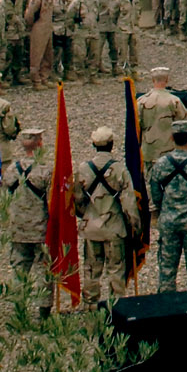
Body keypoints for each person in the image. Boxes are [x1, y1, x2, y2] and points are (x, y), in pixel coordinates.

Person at [75, 126, 137, 308]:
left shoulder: (83, 168)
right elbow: (129, 202)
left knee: (91, 269)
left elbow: (77, 198)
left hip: (91, 227)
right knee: (116, 269)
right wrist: (135, 225)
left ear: (94, 144)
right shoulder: (119, 169)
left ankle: (90, 306)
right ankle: (117, 308)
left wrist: (85, 215)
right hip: (114, 227)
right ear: (112, 144)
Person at [0, 125, 56, 311]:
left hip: (17, 228)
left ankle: (18, 308)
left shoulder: (11, 171)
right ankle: (43, 310)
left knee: (19, 268)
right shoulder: (46, 171)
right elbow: (52, 203)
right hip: (40, 229)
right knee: (43, 269)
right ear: (39, 144)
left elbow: (3, 199)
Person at [147, 119, 187, 292]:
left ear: (172, 138)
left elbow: (155, 195)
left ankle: (167, 311)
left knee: (167, 269)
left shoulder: (161, 164)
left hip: (168, 222)